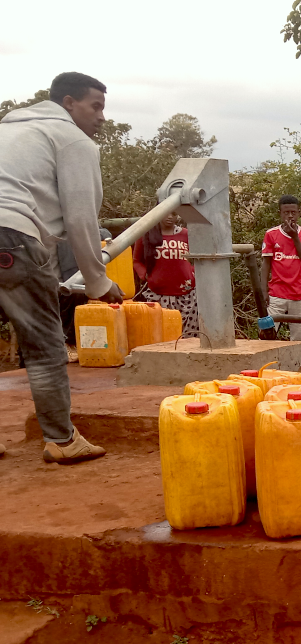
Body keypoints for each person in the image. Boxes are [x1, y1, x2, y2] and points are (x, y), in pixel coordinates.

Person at [0, 71, 123, 463]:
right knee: (44, 348)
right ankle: (62, 440)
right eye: (96, 105)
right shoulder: (72, 139)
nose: (101, 116)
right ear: (68, 103)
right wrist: (98, 281)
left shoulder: (12, 131)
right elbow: (81, 217)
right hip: (14, 236)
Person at [133, 210, 198, 338]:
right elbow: (136, 261)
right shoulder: (146, 235)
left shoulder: (186, 234)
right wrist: (146, 276)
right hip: (158, 296)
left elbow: (200, 258)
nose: (170, 217)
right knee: (162, 336)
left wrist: (192, 273)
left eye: (174, 213)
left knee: (188, 339)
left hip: (187, 297)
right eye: (166, 213)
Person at [262, 194, 301, 342]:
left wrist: (295, 237)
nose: (290, 216)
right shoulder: (271, 234)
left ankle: (293, 365)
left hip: (300, 294)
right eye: (286, 212)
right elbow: (265, 264)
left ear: (299, 212)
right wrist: (264, 291)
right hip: (276, 293)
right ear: (280, 213)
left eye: (293, 212)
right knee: (266, 335)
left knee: (297, 339)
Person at [57, 227, 111, 356]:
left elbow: (104, 233)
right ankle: (69, 343)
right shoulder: (58, 230)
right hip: (66, 273)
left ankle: (76, 344)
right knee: (71, 301)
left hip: (79, 270)